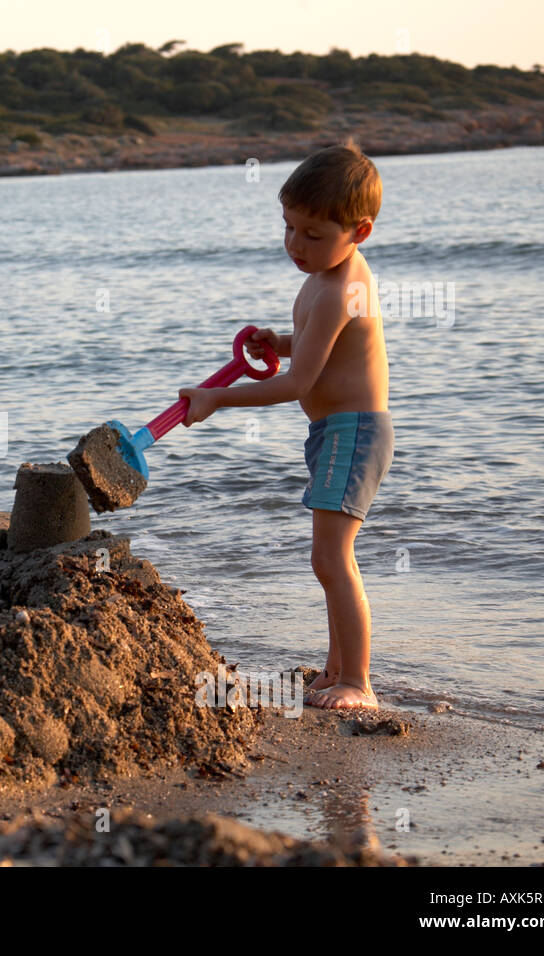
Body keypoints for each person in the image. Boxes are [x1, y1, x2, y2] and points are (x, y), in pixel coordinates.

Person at [178, 141, 393, 710]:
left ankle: (359, 683)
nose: (296, 245)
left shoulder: (339, 287)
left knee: (331, 559)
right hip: (335, 432)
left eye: (313, 234)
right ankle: (337, 668)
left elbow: (298, 384)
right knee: (327, 559)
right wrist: (278, 342)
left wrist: (218, 398)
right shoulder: (328, 275)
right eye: (289, 228)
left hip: (353, 432)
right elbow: (318, 352)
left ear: (360, 232)